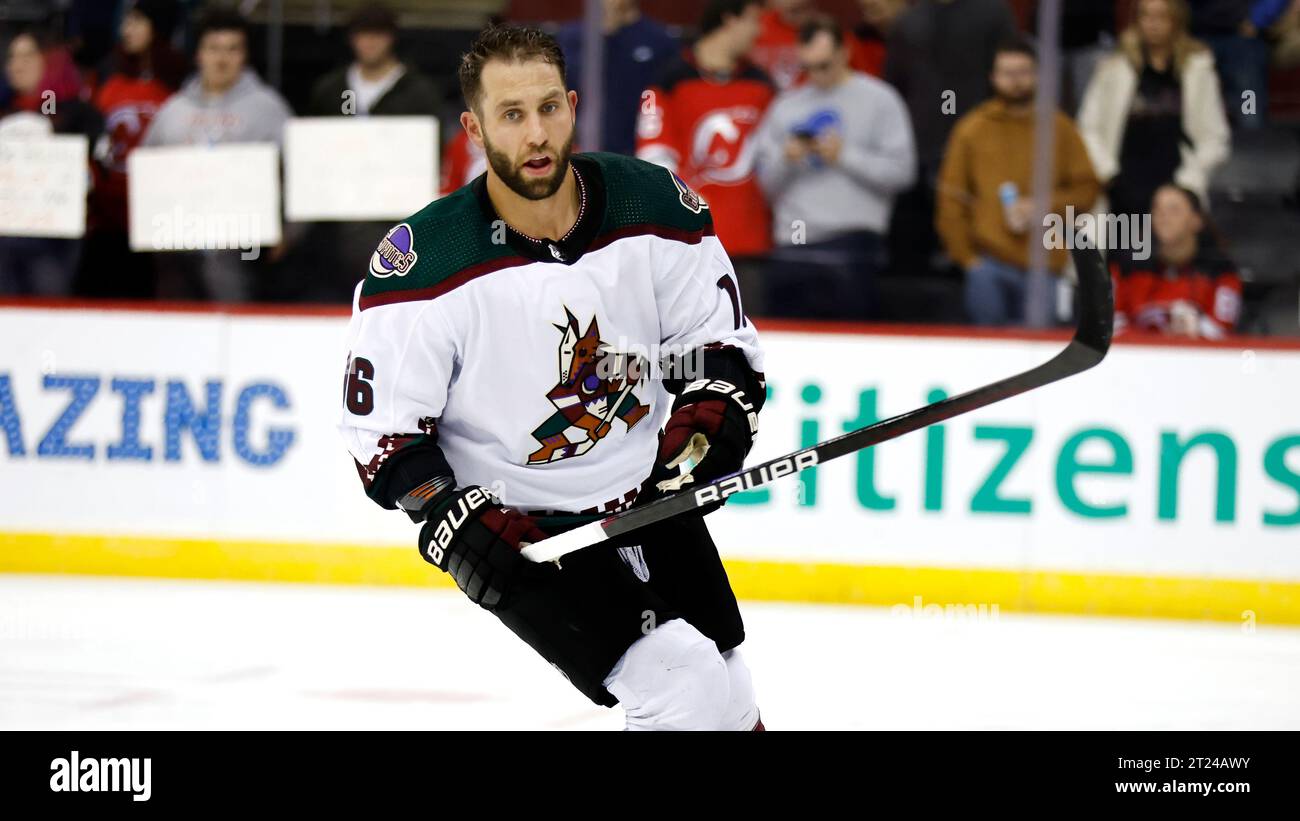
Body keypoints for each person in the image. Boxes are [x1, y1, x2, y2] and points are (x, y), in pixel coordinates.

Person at [338, 24, 767, 731]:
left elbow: (717, 346)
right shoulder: (426, 264)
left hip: (649, 495)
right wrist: (451, 514)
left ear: (572, 105)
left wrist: (711, 421)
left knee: (728, 682)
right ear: (475, 127)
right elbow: (380, 434)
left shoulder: (652, 205)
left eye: (547, 109)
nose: (535, 134)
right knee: (682, 685)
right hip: (529, 532)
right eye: (511, 115)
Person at [754, 16, 915, 318]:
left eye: (824, 65)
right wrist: (785, 160)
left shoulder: (881, 100)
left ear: (844, 53)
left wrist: (845, 155)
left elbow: (902, 173)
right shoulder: (787, 105)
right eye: (808, 68)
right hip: (793, 243)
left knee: (851, 350)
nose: (816, 76)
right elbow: (766, 186)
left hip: (853, 243)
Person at [935, 37, 1100, 326]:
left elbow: (1087, 190)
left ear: (1038, 75)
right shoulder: (972, 129)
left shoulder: (1060, 128)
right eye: (1007, 73)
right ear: (993, 77)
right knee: (986, 355)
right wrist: (968, 259)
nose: (1016, 81)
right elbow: (951, 199)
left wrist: (1043, 206)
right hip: (988, 264)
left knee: (1041, 356)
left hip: (1044, 266)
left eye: (1023, 72)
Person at [141, 5, 293, 302]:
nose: (222, 58)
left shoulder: (268, 109)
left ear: (244, 55)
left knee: (235, 328)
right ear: (199, 53)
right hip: (176, 247)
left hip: (239, 249)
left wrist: (290, 232)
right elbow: (146, 175)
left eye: (232, 49)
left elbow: (299, 173)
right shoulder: (173, 110)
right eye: (213, 48)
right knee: (174, 329)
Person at [637, 0, 774, 308]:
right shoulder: (668, 81)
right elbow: (653, 158)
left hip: (751, 245)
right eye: (753, 20)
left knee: (753, 339)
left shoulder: (763, 83)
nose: (759, 30)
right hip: (690, 245)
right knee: (692, 346)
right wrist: (683, 202)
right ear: (729, 20)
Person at [302, 3, 440, 303]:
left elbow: (431, 155)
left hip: (394, 215)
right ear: (352, 39)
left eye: (378, 34)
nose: (370, 42)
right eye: (362, 34)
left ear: (391, 38)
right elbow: (311, 153)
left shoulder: (420, 93)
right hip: (335, 215)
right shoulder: (330, 89)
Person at [883, 0, 1018, 280]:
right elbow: (895, 86)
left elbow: (1009, 79)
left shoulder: (992, 14)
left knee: (974, 252)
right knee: (916, 263)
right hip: (919, 151)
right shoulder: (909, 21)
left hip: (979, 152)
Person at [1077, 0, 1231, 219]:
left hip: (1176, 187)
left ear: (1176, 20)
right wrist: (1109, 176)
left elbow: (1215, 138)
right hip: (1120, 186)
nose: (1153, 24)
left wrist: (1187, 185)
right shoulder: (1113, 67)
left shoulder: (1198, 69)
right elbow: (1088, 127)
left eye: (1161, 17)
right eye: (1146, 16)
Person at [77, 0, 187, 299]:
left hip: (158, 220)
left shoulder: (180, 80)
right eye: (126, 21)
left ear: (157, 26)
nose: (127, 29)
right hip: (107, 219)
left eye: (137, 21)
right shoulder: (105, 74)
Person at [0, 30, 101, 296]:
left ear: (49, 60)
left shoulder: (67, 109)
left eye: (27, 56)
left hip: (52, 241)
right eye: (12, 57)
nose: (17, 64)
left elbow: (93, 163)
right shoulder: (7, 111)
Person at [1110, 184, 1242, 337]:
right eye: (1157, 209)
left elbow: (1223, 330)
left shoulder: (1220, 271)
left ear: (1196, 220)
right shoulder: (1126, 266)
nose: (1163, 217)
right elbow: (1110, 324)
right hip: (1137, 357)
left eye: (1174, 210)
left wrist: (1195, 328)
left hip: (1196, 358)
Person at [556, 0, 678, 155]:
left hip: (639, 150)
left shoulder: (659, 41)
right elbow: (564, 89)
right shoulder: (572, 38)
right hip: (584, 149)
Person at [1189, 0, 1289, 129]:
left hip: (1243, 36)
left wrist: (1257, 19)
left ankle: (1253, 138)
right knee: (1195, 104)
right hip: (1196, 35)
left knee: (1250, 108)